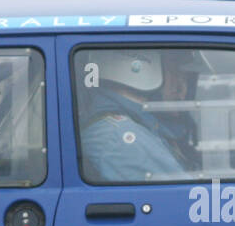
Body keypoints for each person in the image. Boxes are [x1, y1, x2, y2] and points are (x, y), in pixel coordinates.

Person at [78, 49, 202, 181]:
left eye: (185, 78)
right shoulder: (119, 136)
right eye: (175, 73)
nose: (182, 89)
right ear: (138, 69)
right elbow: (184, 196)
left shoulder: (141, 126)